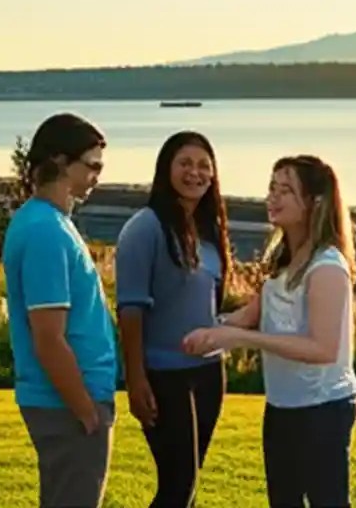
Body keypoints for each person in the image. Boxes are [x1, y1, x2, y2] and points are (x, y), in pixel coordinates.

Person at [182, 155, 356, 508]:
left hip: (322, 410)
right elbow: (248, 317)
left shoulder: (327, 268)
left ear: (314, 203)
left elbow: (323, 348)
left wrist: (241, 340)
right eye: (272, 188)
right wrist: (207, 329)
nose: (273, 198)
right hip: (282, 407)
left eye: (286, 191)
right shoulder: (283, 262)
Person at [2, 112, 118, 508]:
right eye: (92, 166)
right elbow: (48, 337)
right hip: (66, 404)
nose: (97, 176)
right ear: (60, 162)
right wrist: (85, 410)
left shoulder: (52, 223)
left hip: (70, 400)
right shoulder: (44, 231)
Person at [115, 131, 233, 507]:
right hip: (165, 377)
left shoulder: (210, 232)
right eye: (185, 163)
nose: (194, 173)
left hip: (210, 374)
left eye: (203, 166)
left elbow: (209, 307)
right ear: (166, 168)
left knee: (189, 485)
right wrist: (135, 378)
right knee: (177, 487)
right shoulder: (144, 227)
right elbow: (130, 310)